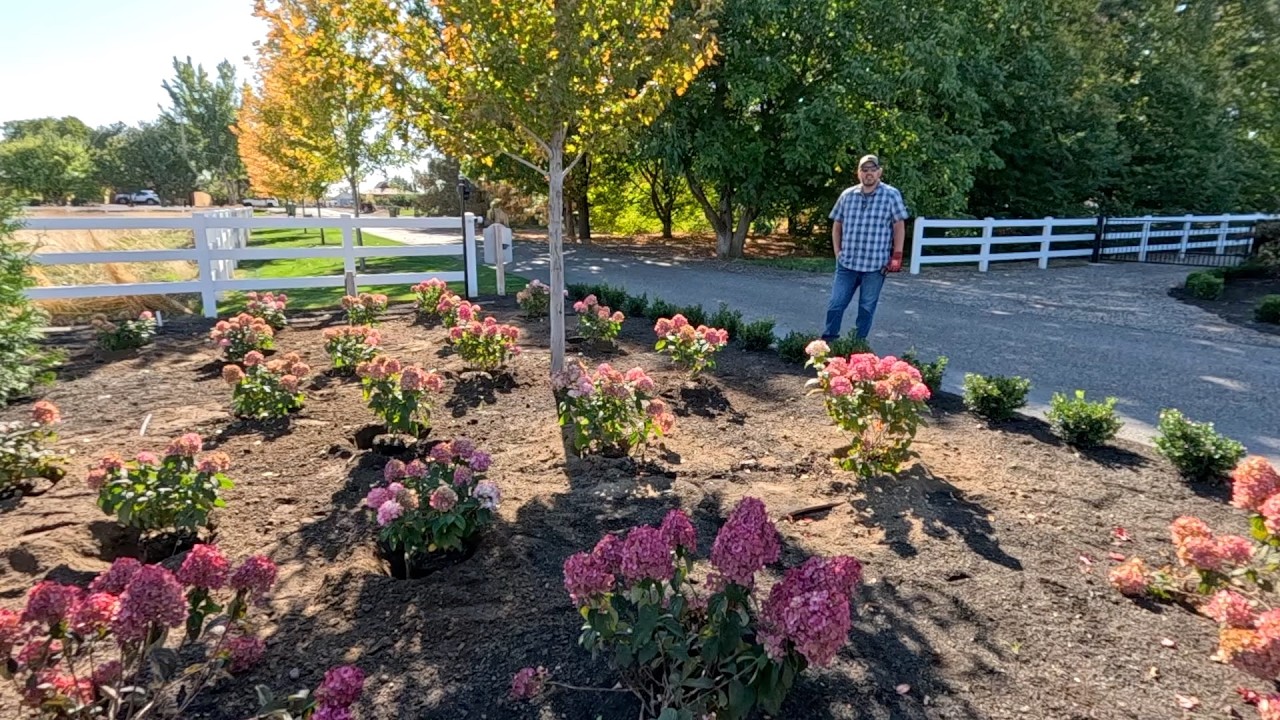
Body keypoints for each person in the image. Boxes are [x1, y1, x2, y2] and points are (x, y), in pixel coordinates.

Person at [822, 154, 909, 342]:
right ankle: (829, 342)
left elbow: (898, 226)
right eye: (864, 170)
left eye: (872, 170)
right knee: (836, 304)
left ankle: (857, 346)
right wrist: (838, 253)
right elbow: (837, 224)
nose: (868, 173)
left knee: (866, 307)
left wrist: (897, 256)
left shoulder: (891, 195)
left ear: (879, 172)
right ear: (858, 173)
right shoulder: (847, 195)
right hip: (847, 264)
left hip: (875, 266)